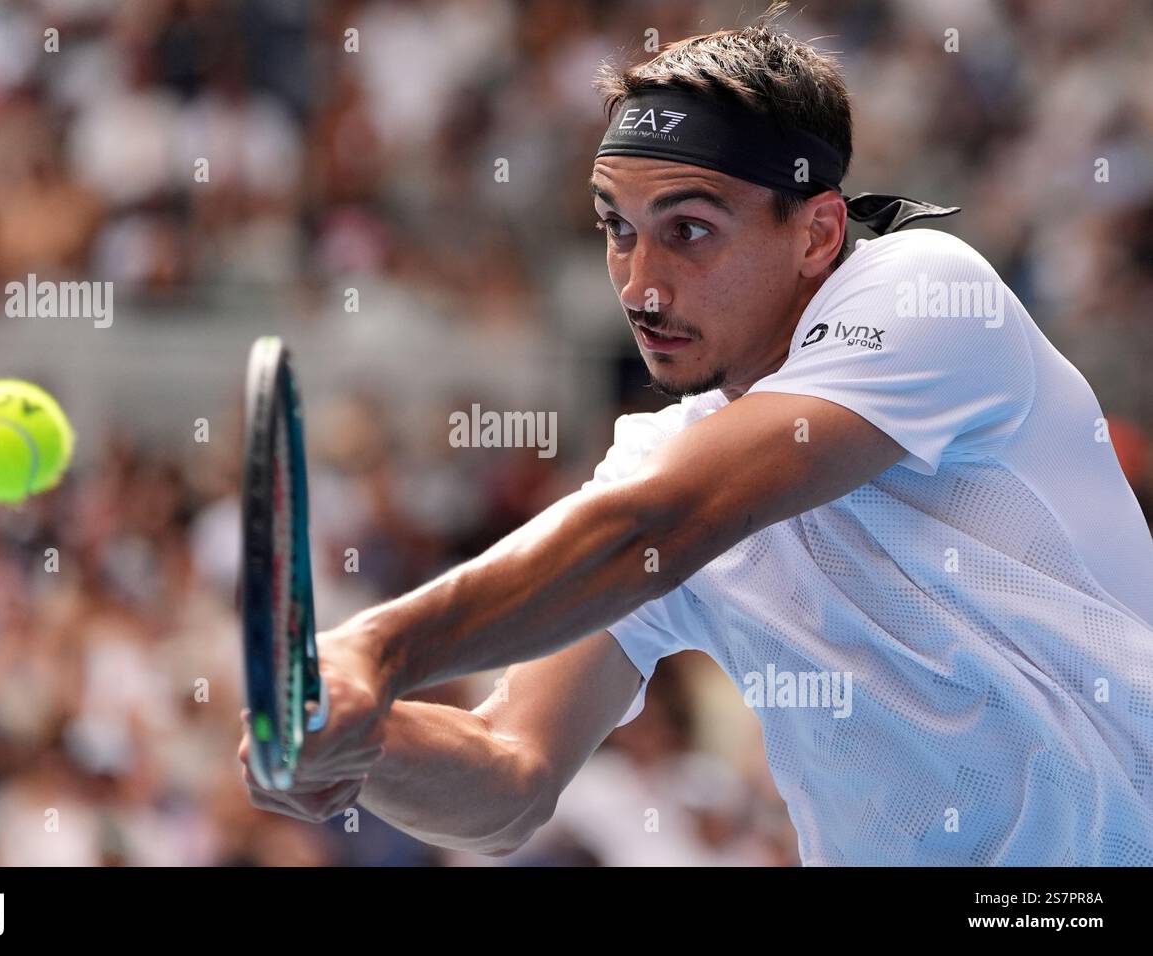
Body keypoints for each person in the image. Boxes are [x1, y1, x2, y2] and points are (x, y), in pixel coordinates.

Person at [240, 9, 1153, 865]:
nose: (641, 284)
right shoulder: (654, 468)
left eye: (690, 230)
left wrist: (376, 648)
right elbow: (508, 778)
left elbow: (663, 524)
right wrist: (353, 736)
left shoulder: (929, 293)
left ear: (817, 231)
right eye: (617, 230)